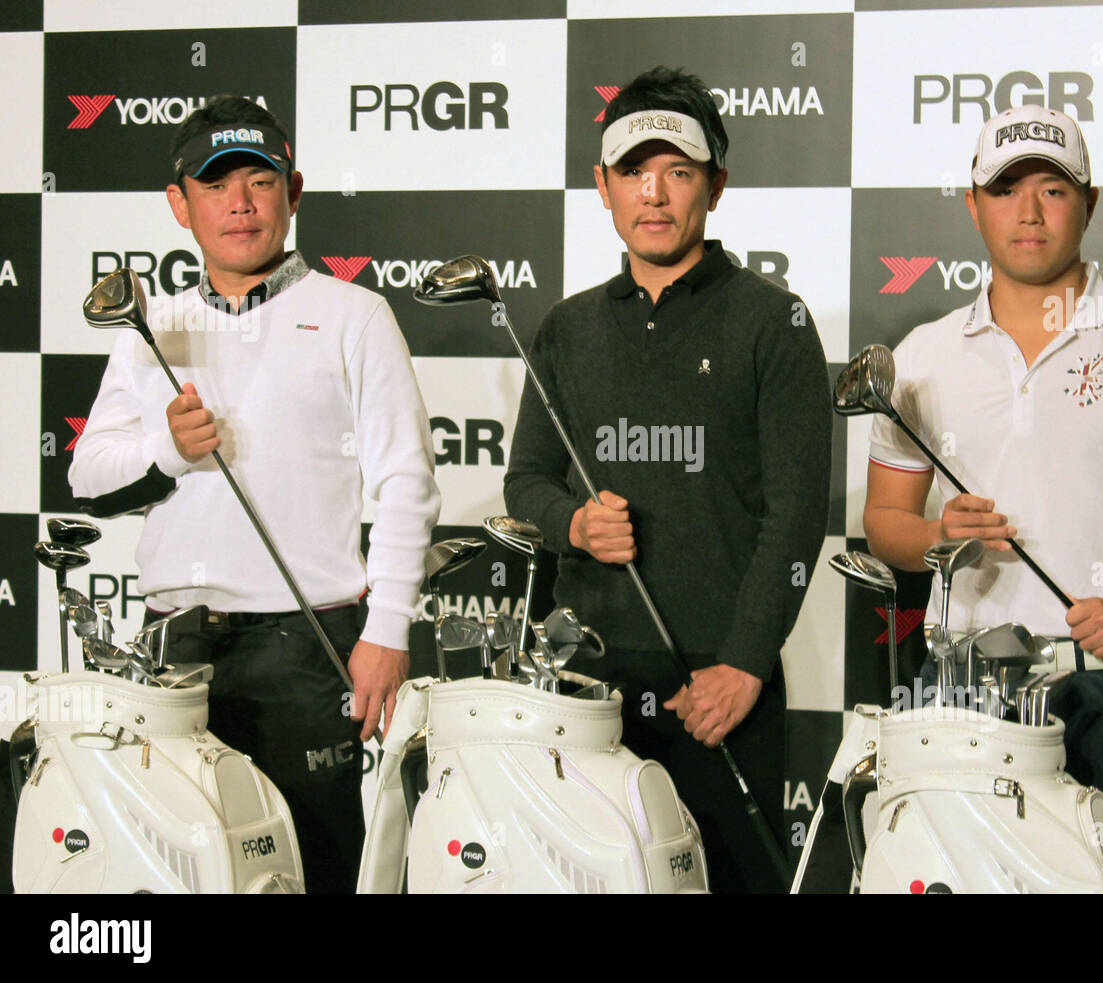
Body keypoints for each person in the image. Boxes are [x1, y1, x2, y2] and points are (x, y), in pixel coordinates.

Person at [862, 104, 1103, 884]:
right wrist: (937, 534)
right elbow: (882, 525)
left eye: (1054, 189)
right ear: (972, 204)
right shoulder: (923, 355)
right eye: (1005, 189)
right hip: (961, 687)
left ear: (1091, 202)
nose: (1029, 212)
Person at [69, 95, 440, 894]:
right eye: (214, 183)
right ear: (181, 205)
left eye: (258, 180)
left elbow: (406, 482)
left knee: (313, 865)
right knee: (174, 874)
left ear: (292, 190)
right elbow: (87, 476)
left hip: (311, 648)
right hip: (173, 648)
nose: (239, 202)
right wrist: (166, 447)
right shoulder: (153, 328)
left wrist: (386, 628)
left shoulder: (355, 314)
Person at [503, 66, 832, 893]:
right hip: (585, 681)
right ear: (603, 187)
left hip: (719, 689)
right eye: (634, 174)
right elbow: (527, 481)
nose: (654, 195)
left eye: (678, 172)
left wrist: (746, 663)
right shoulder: (566, 327)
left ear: (716, 186)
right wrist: (573, 524)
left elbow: (796, 513)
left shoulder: (774, 321)